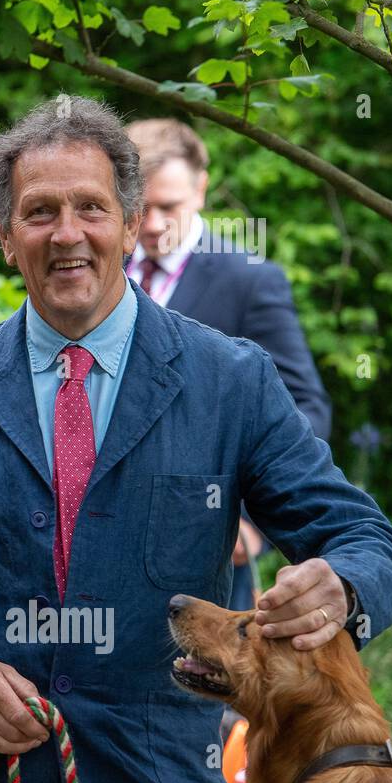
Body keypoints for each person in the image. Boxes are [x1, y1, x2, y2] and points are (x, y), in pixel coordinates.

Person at [0, 96, 392, 783]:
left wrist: (344, 585)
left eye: (92, 208)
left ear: (133, 223)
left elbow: (364, 537)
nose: (67, 234)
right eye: (40, 212)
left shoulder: (230, 381)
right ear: (4, 235)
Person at [124, 118, 332, 610]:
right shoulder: (97, 271)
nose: (153, 225)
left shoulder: (251, 281)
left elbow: (305, 404)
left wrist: (253, 523)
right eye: (140, 206)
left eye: (168, 206)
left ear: (201, 186)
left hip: (209, 546)